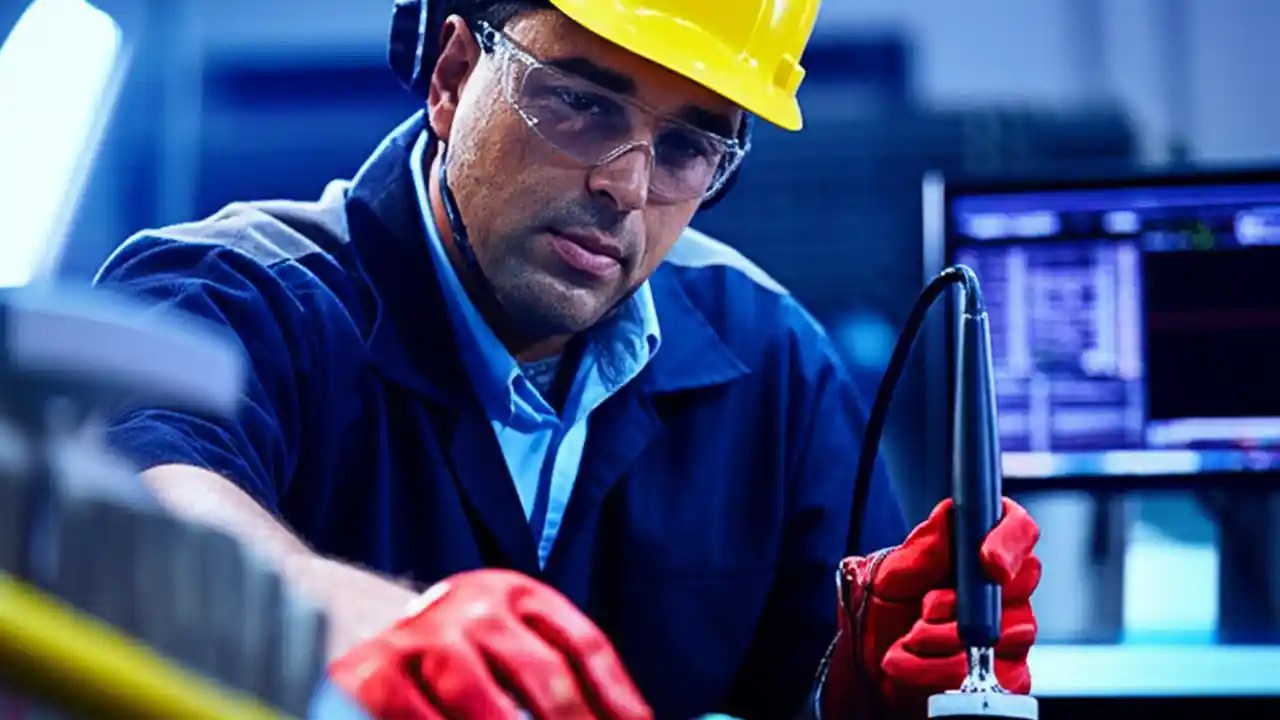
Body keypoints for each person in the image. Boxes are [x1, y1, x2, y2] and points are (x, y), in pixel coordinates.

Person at [93, 0, 1042, 717]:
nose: (624, 185)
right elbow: (141, 515)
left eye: (686, 147)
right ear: (453, 74)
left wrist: (869, 691)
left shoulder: (774, 361)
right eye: (582, 102)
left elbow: (808, 690)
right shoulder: (229, 294)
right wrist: (377, 627)